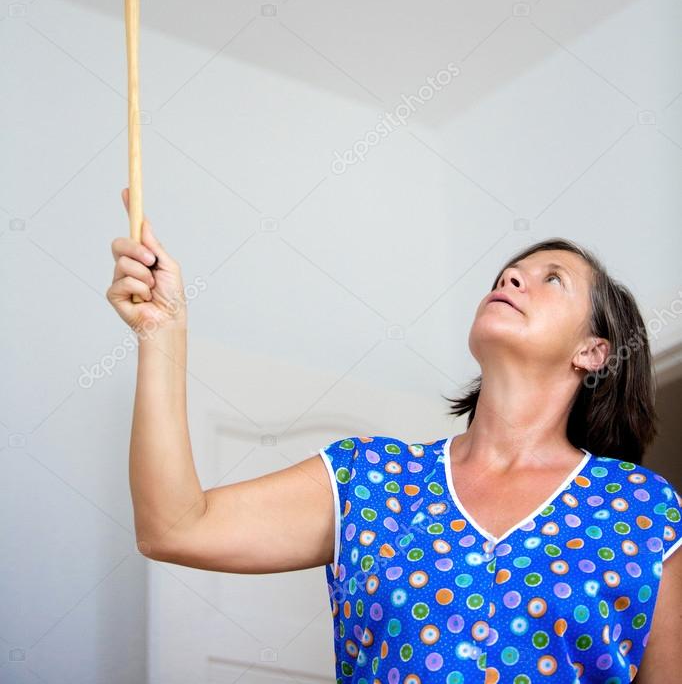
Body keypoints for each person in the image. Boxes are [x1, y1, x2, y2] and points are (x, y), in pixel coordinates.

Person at [107, 188, 682, 683]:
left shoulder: (645, 510)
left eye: (550, 279)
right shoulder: (369, 480)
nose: (511, 277)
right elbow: (173, 526)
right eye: (510, 273)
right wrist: (163, 332)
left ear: (592, 352)